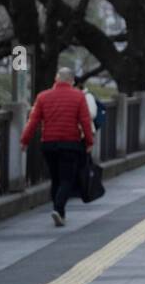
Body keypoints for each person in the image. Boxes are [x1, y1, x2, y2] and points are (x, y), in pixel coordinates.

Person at [20, 67, 95, 227]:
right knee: (67, 179)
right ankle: (58, 209)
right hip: (70, 143)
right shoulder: (78, 96)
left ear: (56, 78)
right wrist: (89, 142)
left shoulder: (43, 96)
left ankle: (59, 212)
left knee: (55, 178)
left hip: (49, 144)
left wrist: (25, 140)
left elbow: (32, 121)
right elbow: (85, 121)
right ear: (72, 81)